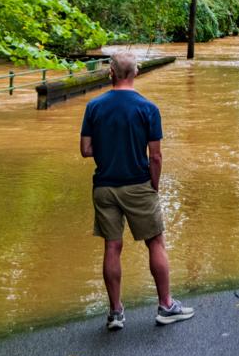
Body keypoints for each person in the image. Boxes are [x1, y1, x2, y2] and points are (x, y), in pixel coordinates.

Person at [79, 52, 194, 330]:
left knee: (112, 246)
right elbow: (155, 156)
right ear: (136, 74)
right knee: (155, 242)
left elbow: (86, 150)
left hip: (104, 186)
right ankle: (166, 306)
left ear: (111, 74)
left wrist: (108, 148)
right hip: (138, 185)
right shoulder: (148, 109)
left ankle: (116, 313)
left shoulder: (94, 106)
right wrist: (153, 186)